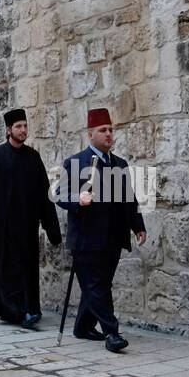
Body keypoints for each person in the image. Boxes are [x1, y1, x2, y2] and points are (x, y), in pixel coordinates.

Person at [55, 107, 146, 353]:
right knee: (96, 286)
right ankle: (112, 333)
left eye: (110, 130)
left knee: (98, 284)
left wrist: (138, 226)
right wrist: (79, 199)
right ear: (90, 134)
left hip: (113, 238)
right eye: (102, 130)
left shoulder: (119, 164)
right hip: (86, 237)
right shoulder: (75, 163)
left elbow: (129, 199)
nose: (108, 134)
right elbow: (59, 195)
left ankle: (83, 327)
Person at [0, 109, 61, 329]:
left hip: (27, 227)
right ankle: (17, 312)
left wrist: (51, 227)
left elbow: (45, 193)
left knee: (27, 270)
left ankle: (29, 309)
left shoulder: (33, 157)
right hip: (3, 230)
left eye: (25, 126)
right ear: (8, 130)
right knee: (8, 271)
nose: (23, 130)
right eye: (18, 127)